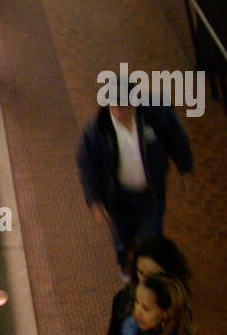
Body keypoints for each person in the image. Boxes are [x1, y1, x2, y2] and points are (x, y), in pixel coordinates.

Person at [77, 97, 194, 272]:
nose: (117, 111)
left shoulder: (156, 117)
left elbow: (177, 138)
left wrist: (185, 168)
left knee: (150, 239)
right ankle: (126, 271)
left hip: (151, 194)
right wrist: (94, 199)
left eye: (123, 106)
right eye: (114, 106)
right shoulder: (96, 131)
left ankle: (151, 276)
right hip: (117, 198)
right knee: (123, 239)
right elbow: (86, 165)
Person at [103, 235, 191, 335]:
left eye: (152, 275)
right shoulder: (123, 300)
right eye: (141, 272)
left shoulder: (175, 309)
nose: (144, 280)